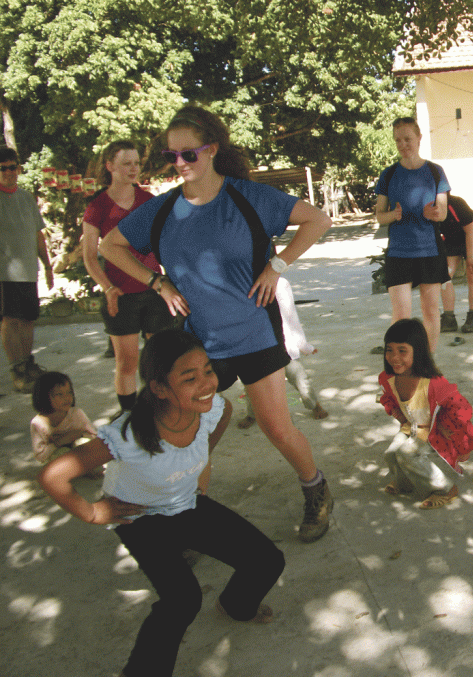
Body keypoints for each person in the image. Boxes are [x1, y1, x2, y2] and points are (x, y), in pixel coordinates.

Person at [98, 105, 334, 542]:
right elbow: (110, 246)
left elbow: (318, 219)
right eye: (172, 156)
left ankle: (316, 488)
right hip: (199, 343)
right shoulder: (163, 210)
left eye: (189, 153)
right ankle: (187, 516)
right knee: (188, 434)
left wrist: (277, 266)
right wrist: (157, 283)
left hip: (255, 332)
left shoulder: (248, 197)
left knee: (277, 428)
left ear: (212, 149)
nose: (181, 163)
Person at [36, 330, 285, 677]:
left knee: (268, 560)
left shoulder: (211, 408)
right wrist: (93, 513)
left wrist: (196, 467)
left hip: (185, 503)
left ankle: (235, 605)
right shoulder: (129, 435)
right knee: (183, 601)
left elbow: (224, 413)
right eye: (189, 377)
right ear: (159, 388)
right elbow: (53, 476)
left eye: (208, 370)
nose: (207, 383)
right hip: (139, 519)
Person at [82, 140, 174, 413]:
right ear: (110, 166)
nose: (133, 169)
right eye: (126, 164)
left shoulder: (149, 200)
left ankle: (160, 412)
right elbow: (90, 256)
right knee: (127, 363)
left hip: (155, 290)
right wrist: (107, 288)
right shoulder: (97, 206)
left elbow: (167, 242)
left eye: (136, 163)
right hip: (121, 294)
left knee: (160, 361)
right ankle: (129, 416)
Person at [378, 319, 473, 509]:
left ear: (418, 352)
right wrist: (396, 412)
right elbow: (387, 398)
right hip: (410, 428)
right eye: (389, 350)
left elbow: (461, 409)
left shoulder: (435, 384)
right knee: (390, 454)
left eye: (402, 351)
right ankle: (405, 482)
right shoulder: (387, 378)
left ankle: (445, 489)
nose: (394, 357)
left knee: (406, 454)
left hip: (433, 431)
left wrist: (462, 443)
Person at [374, 117, 450, 353]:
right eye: (398, 140)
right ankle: (401, 362)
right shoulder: (389, 174)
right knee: (401, 315)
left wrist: (434, 213)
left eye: (407, 139)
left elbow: (443, 212)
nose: (403, 144)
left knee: (430, 311)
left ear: (419, 138)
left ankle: (428, 360)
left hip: (430, 250)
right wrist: (393, 215)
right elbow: (379, 216)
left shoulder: (435, 172)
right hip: (399, 252)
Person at [237, 276, 328, 428]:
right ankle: (252, 414)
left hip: (283, 346)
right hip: (255, 348)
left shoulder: (280, 284)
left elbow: (291, 316)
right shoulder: (241, 283)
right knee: (252, 383)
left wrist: (303, 345)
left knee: (300, 378)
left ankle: (314, 405)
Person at [0, 147, 53, 393]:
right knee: (10, 320)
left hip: (28, 271)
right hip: (4, 273)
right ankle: (18, 372)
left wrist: (48, 266)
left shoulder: (26, 197)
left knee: (28, 319)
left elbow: (38, 235)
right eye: (3, 168)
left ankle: (28, 364)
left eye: (12, 167)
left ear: (19, 169)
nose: (8, 172)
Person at [438, 195, 473, 334]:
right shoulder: (427, 206)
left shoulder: (456, 203)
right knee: (445, 276)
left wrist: (470, 256)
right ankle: (449, 319)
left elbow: (469, 231)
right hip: (452, 239)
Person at [30, 371, 97, 465]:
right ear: (44, 397)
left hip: (81, 456)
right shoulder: (38, 423)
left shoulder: (76, 413)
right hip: (59, 463)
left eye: (69, 392)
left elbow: (95, 437)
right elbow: (40, 456)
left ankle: (90, 467)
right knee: (62, 453)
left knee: (84, 442)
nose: (67, 398)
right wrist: (59, 442)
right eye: (59, 394)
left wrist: (80, 435)